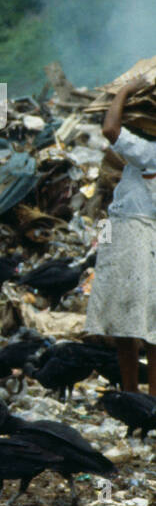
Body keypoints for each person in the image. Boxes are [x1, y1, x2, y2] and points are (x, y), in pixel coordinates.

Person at [86, 75, 156, 392]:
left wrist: (126, 90)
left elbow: (110, 129)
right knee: (138, 320)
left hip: (134, 234)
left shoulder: (148, 151)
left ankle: (138, 399)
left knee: (134, 322)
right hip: (133, 232)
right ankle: (142, 402)